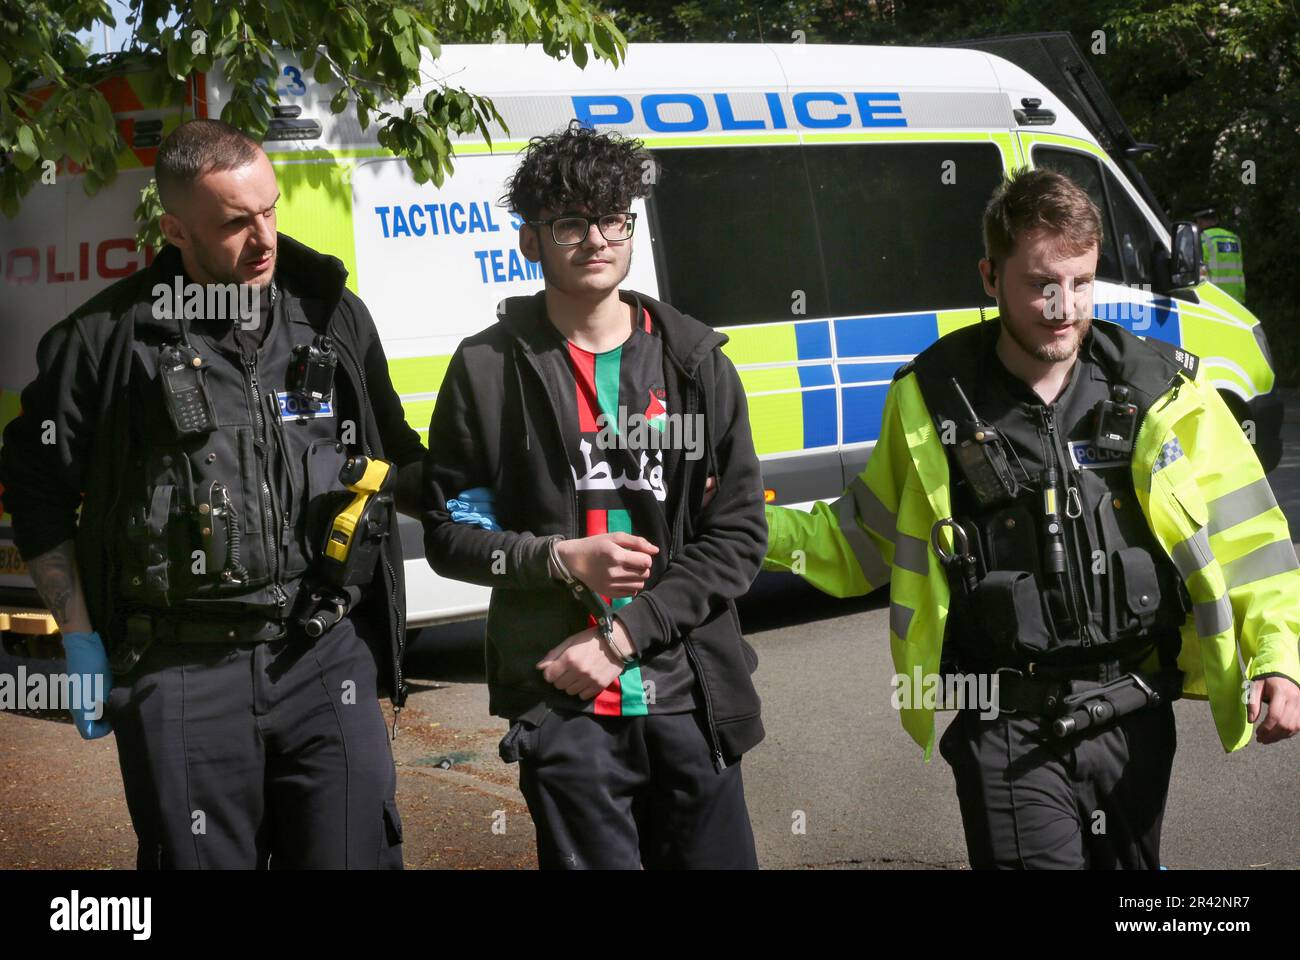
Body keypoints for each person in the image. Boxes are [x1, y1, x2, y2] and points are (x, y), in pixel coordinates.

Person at [765, 168, 1300, 869]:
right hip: (1007, 728)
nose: (1063, 306)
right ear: (991, 276)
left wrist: (1279, 659)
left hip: (1136, 717)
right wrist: (739, 524)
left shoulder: (1163, 389)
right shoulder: (932, 401)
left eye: (1081, 282)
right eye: (1042, 282)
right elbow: (858, 542)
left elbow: (1250, 541)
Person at [0, 119, 427, 869]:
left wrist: (505, 508)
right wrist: (77, 632)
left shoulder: (328, 314)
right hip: (182, 673)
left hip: (324, 655)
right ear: (175, 230)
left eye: (270, 209)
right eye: (235, 223)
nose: (263, 238)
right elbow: (35, 484)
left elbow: (399, 453)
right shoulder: (105, 340)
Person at [420, 122, 768, 869]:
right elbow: (448, 539)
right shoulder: (484, 369)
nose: (596, 238)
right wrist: (555, 558)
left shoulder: (695, 362)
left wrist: (622, 638)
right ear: (530, 241)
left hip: (688, 699)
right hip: (564, 710)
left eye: (613, 218)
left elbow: (737, 539)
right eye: (571, 222)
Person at [1193, 206, 1246, 303]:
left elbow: (1201, 272)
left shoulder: (1201, 239)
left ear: (1199, 222)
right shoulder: (1234, 239)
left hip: (1215, 300)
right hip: (1236, 299)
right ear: (1216, 220)